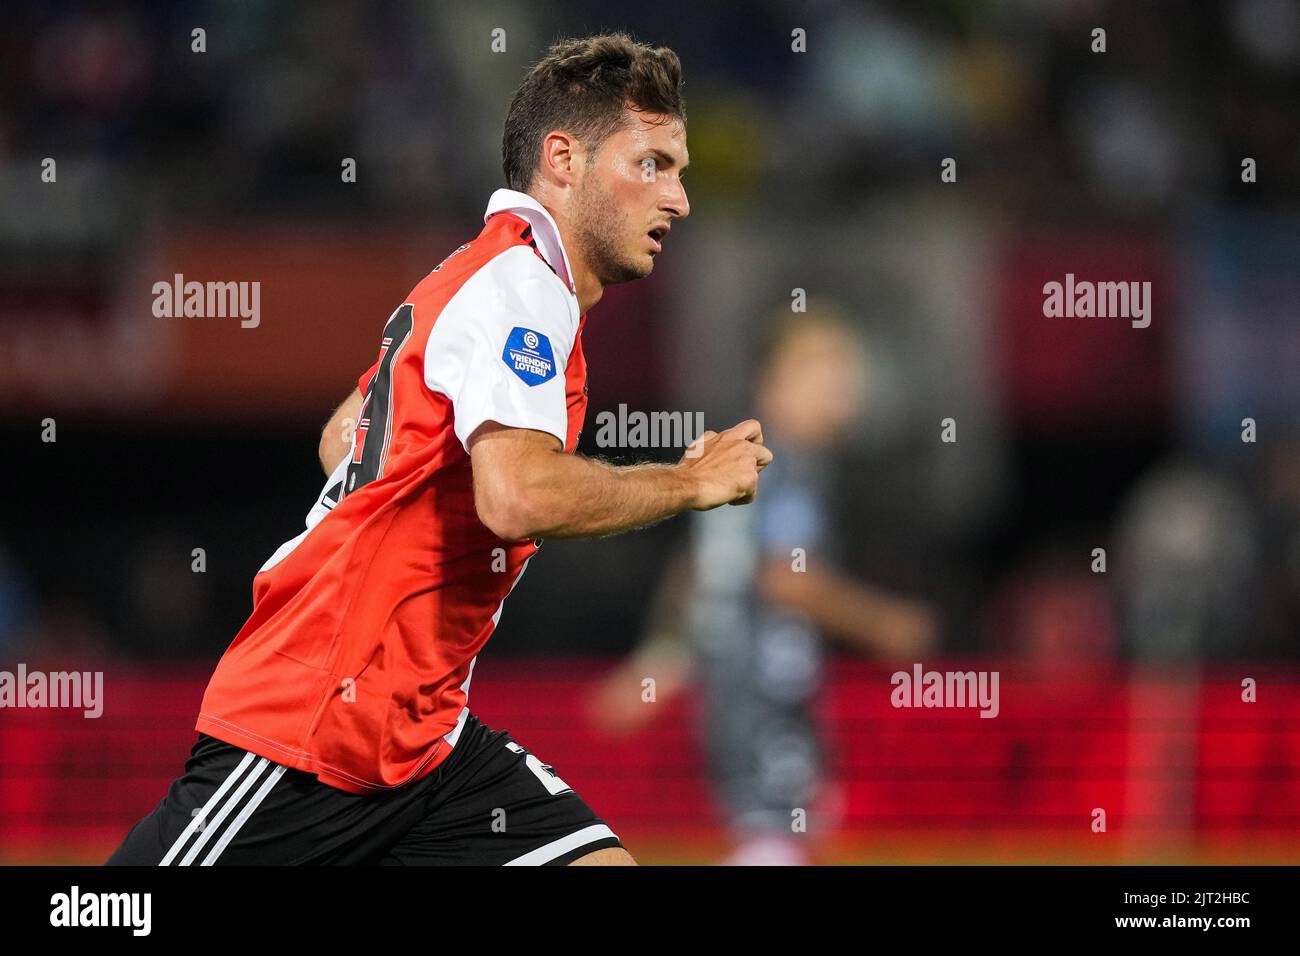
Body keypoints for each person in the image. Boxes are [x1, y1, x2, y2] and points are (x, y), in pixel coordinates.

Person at [108, 33, 771, 866]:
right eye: (653, 164)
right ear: (562, 159)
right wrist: (688, 482)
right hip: (314, 727)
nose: (677, 199)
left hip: (424, 745)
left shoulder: (481, 275)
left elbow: (344, 434)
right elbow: (516, 497)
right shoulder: (524, 288)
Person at [590, 306, 936, 864]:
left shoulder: (736, 461)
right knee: (778, 840)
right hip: (766, 691)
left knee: (773, 835)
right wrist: (885, 624)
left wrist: (658, 664)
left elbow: (698, 570)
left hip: (733, 697)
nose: (841, 385)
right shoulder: (788, 467)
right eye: (822, 369)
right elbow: (784, 579)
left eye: (844, 370)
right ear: (774, 382)